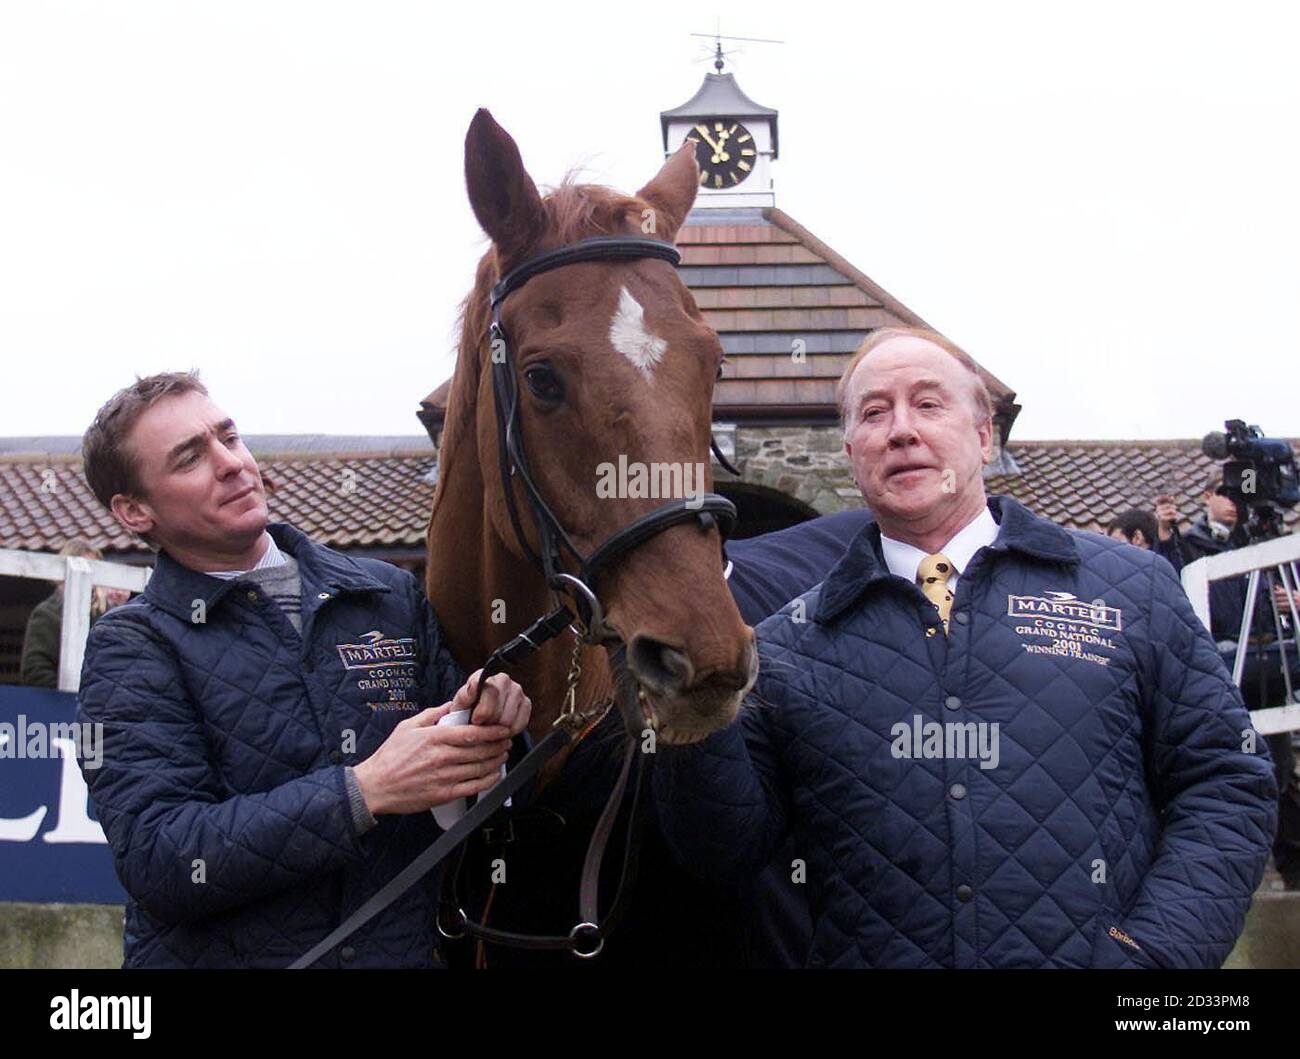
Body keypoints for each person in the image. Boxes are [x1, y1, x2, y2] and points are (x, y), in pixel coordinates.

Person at [653, 325, 1278, 968]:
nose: (900, 430)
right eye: (874, 412)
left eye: (927, 404)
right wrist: (691, 719)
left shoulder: (1130, 590)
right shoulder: (788, 646)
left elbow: (1227, 781)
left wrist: (1155, 955)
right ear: (851, 451)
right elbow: (720, 851)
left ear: (984, 437)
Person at [75, 371, 531, 968]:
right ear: (135, 511)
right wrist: (365, 790)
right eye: (190, 458)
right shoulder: (131, 645)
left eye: (228, 437)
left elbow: (472, 802)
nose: (232, 464)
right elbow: (161, 858)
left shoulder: (385, 594)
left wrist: (492, 724)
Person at [1165, 470, 1300, 891]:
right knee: (1226, 768)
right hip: (1221, 668)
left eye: (1239, 495)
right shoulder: (1189, 546)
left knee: (1278, 771)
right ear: (1206, 496)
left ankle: (1292, 869)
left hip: (1272, 664)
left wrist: (1295, 600)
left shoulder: (1267, 545)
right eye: (1225, 494)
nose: (1233, 502)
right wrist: (1168, 536)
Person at [20, 539, 129, 688]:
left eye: (95, 570)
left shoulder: (102, 615)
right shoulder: (46, 613)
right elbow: (35, 671)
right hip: (58, 704)